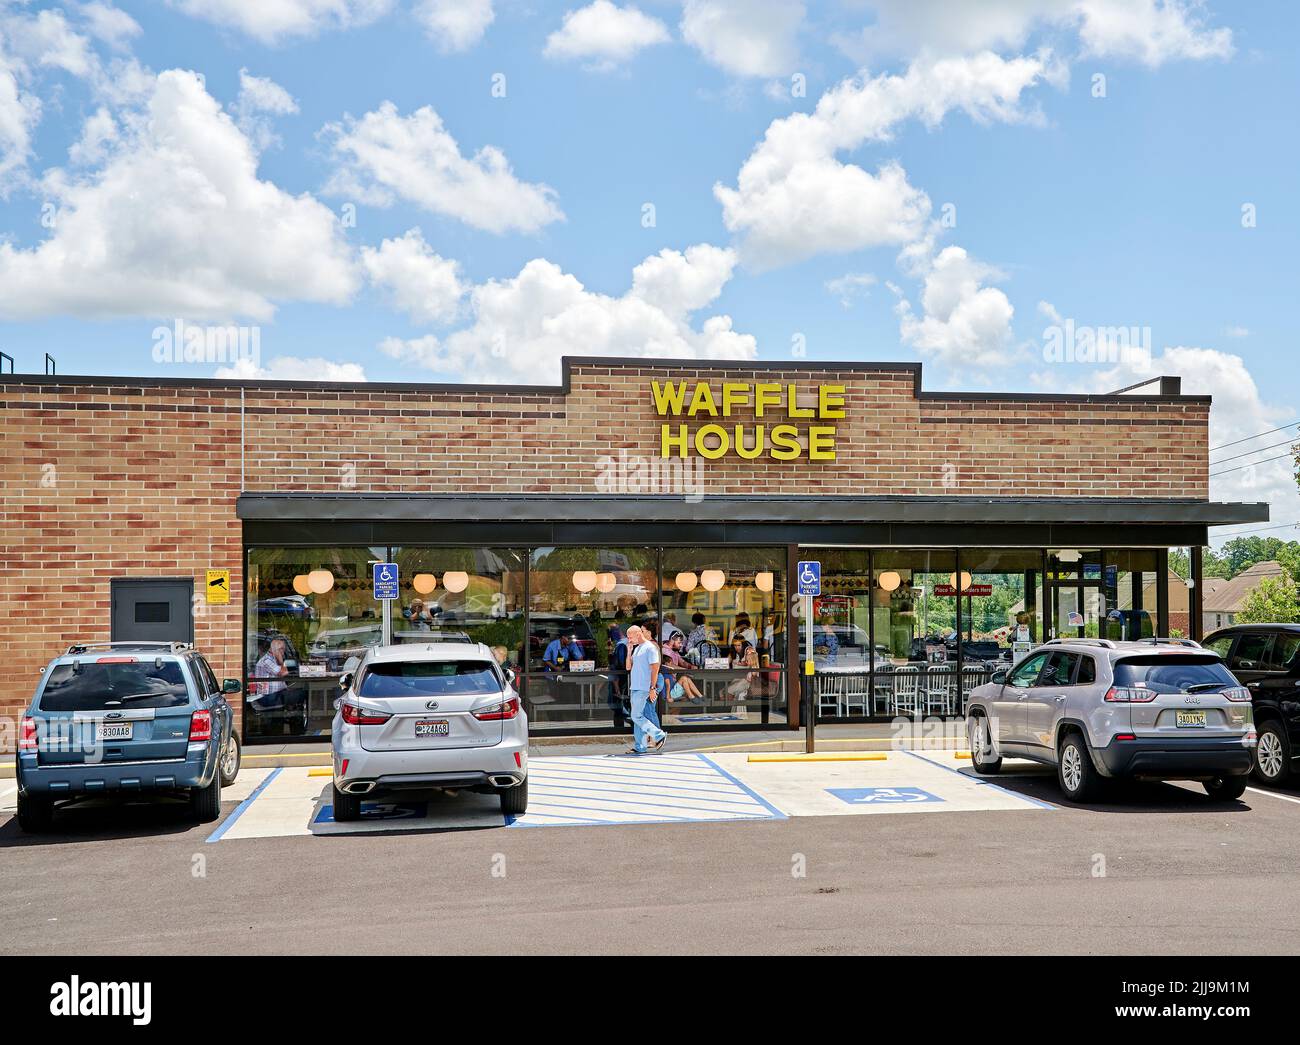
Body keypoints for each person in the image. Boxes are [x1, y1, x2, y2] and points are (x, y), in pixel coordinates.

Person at [625, 625, 667, 754]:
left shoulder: (650, 648)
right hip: (636, 687)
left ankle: (659, 735)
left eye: (630, 637)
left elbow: (655, 668)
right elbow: (628, 667)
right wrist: (629, 650)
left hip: (643, 687)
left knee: (636, 716)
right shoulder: (637, 648)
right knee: (638, 717)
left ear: (638, 634)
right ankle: (640, 746)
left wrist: (652, 688)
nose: (629, 640)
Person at [663, 632, 704, 702]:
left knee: (686, 678)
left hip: (674, 683)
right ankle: (693, 697)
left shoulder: (674, 651)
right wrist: (685, 669)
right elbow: (669, 665)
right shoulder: (664, 650)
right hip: (667, 686)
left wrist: (690, 666)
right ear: (672, 641)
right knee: (685, 678)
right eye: (679, 643)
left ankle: (699, 697)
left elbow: (682, 662)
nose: (681, 645)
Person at [606, 625, 630, 730]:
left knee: (619, 709)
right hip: (626, 682)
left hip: (622, 683)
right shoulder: (628, 644)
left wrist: (616, 687)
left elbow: (617, 668)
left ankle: (619, 730)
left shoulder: (621, 646)